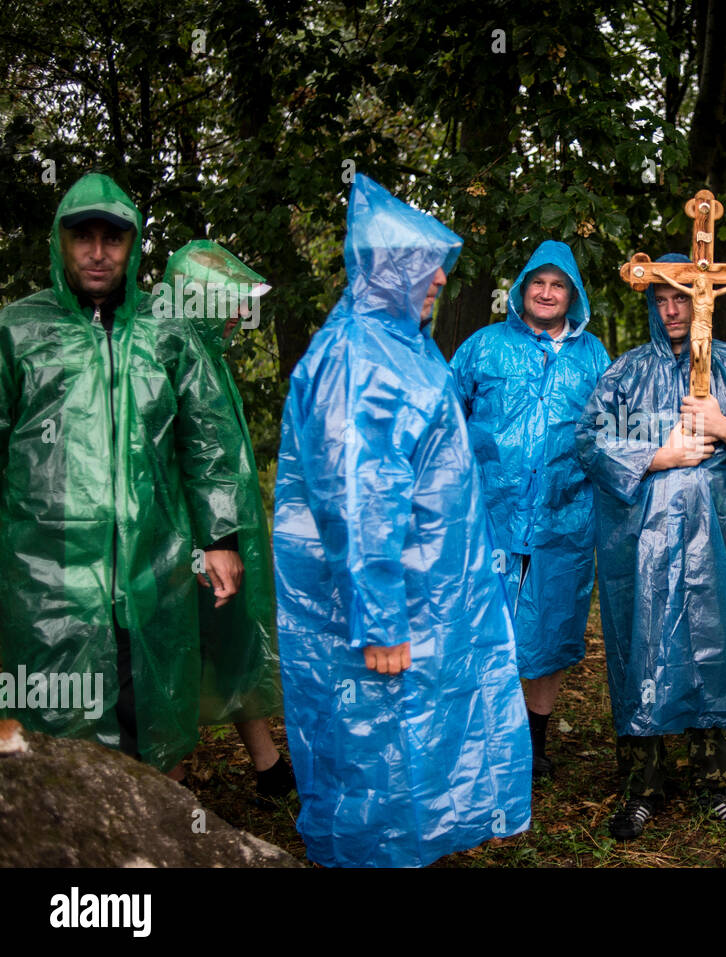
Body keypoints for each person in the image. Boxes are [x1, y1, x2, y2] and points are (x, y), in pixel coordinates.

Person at [274, 174, 531, 867]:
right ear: (384, 268)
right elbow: (358, 495)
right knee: (372, 752)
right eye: (424, 262)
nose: (442, 276)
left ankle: (406, 850)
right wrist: (380, 618)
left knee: (412, 749)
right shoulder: (359, 355)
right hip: (388, 605)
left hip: (430, 594)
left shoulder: (402, 344)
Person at [0, 173, 250, 777]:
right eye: (82, 237)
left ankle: (161, 833)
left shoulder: (166, 334)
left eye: (111, 239)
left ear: (132, 247)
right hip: (47, 572)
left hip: (152, 561)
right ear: (60, 243)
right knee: (53, 720)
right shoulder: (17, 330)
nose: (96, 252)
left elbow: (205, 441)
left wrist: (218, 540)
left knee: (155, 708)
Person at [576, 253, 726, 840]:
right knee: (642, 644)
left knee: (717, 644)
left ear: (705, 299)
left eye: (681, 299)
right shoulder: (627, 374)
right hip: (640, 539)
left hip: (721, 535)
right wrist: (656, 455)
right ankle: (642, 786)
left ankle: (717, 784)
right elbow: (591, 441)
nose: (671, 310)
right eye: (661, 299)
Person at [451, 240, 609, 781]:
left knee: (551, 627)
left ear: (573, 294)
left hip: (564, 518)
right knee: (483, 622)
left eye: (558, 284)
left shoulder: (593, 356)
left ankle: (534, 742)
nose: (546, 292)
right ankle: (485, 737)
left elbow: (614, 432)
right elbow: (447, 420)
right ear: (521, 290)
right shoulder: (483, 347)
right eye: (537, 283)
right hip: (489, 516)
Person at [160, 241, 293, 800]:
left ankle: (268, 767)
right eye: (232, 300)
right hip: (182, 535)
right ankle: (172, 785)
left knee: (229, 639)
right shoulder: (167, 347)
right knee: (176, 647)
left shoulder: (205, 351)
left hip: (219, 534)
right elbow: (183, 454)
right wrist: (205, 539)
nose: (243, 313)